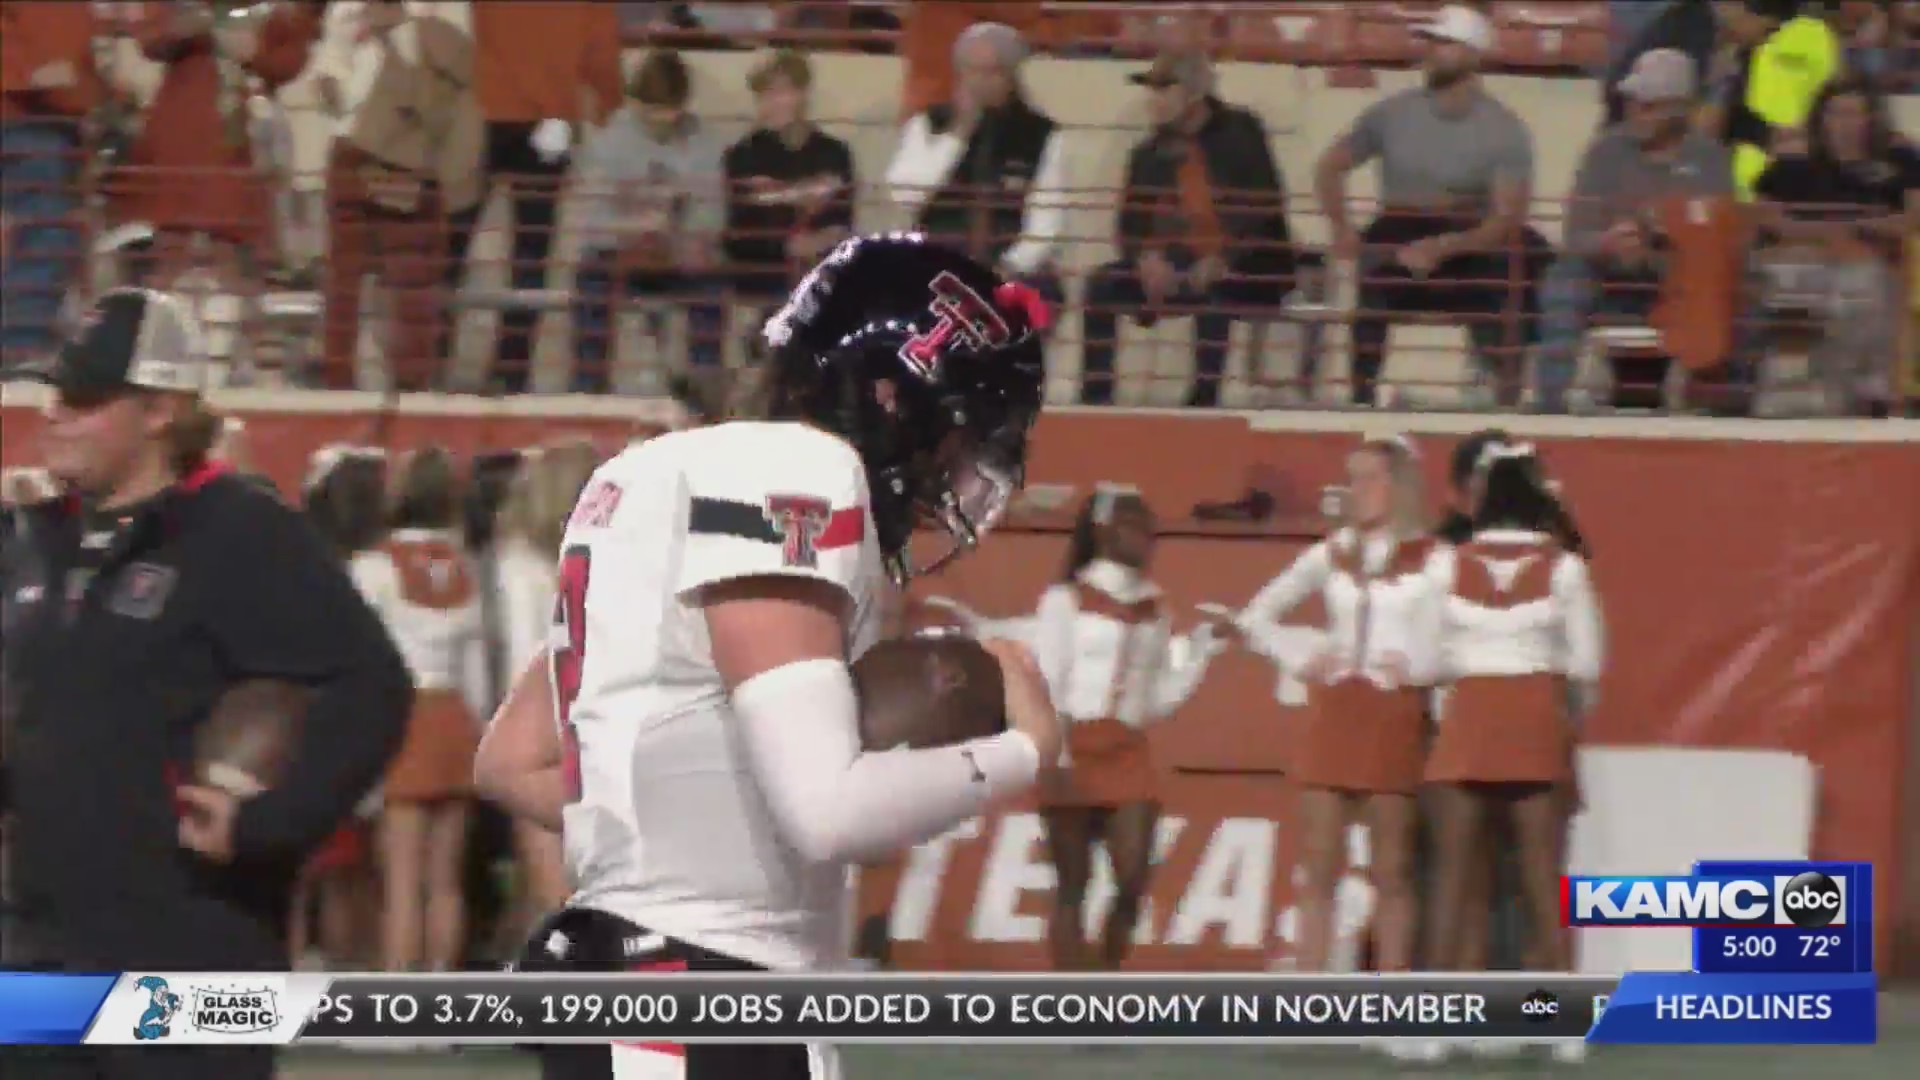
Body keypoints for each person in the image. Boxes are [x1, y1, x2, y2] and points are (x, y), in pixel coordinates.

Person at [472, 234, 1059, 1080]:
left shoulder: (655, 469)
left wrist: (685, 844)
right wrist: (1022, 749)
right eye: (961, 430)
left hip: (659, 973)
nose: (957, 467)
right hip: (692, 992)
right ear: (895, 396)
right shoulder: (796, 467)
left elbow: (512, 760)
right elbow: (828, 812)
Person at [0, 288, 411, 1080]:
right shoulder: (40, 541)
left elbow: (368, 685)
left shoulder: (241, 533)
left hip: (190, 947)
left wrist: (269, 821)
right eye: (55, 394)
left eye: (83, 399)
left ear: (158, 410)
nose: (54, 413)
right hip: (40, 941)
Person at [1217, 438, 1440, 1032]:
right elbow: (1257, 615)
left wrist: (1418, 667)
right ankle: (1309, 998)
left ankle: (1393, 1001)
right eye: (1352, 478)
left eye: (1369, 479)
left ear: (1400, 486)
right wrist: (1299, 658)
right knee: (1318, 865)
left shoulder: (1436, 558)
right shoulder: (1330, 554)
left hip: (1395, 716)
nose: (1356, 491)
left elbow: (1458, 638)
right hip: (1334, 713)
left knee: (1392, 871)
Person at [1423, 443, 1602, 1064]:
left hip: (1468, 718)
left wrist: (1469, 667)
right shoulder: (1566, 567)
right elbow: (1586, 663)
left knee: (1453, 880)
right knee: (1542, 882)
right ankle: (1561, 1026)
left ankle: (1437, 1027)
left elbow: (1426, 658)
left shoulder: (1445, 563)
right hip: (1536, 719)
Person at [1313, 4, 1546, 407]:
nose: (1432, 51)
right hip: (1399, 226)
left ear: (1473, 55)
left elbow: (1506, 218)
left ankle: (1506, 399)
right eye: (1432, 42)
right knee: (1374, 281)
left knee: (1515, 267)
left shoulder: (1504, 129)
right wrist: (1341, 229)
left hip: (1468, 237)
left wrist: (1443, 247)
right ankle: (1360, 398)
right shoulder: (1392, 112)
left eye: (1445, 43)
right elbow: (1330, 167)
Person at [1032, 485, 1220, 972]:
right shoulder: (1065, 598)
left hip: (1127, 749)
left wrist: (1199, 655)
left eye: (1150, 527)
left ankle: (1104, 978)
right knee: (1073, 883)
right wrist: (1054, 752)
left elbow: (1156, 700)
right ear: (1103, 531)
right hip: (1071, 740)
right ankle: (1075, 1004)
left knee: (1134, 876)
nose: (1146, 536)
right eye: (1133, 525)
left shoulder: (1157, 608)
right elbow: (1048, 678)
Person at [1082, 50, 1298, 407]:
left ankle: (1203, 400)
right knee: (1101, 286)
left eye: (1165, 89)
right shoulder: (1148, 153)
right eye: (1152, 90)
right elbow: (1129, 224)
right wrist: (1145, 258)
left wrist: (1223, 257)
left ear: (1195, 93)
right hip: (1176, 262)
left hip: (1248, 263)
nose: (1155, 100)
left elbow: (1263, 209)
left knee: (1216, 291)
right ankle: (1095, 397)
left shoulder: (1241, 132)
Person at [1536, 49, 1740, 412]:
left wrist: (1660, 245)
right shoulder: (1605, 152)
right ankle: (1551, 401)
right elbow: (1576, 235)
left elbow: (1718, 237)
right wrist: (1607, 242)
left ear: (1678, 109)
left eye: (1647, 105)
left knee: (1727, 281)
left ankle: (1721, 404)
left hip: (1676, 279)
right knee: (1563, 278)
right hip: (1609, 274)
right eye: (1631, 102)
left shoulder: (1709, 160)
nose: (1634, 112)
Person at [351, 447, 487, 973]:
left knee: (401, 879)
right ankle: (439, 1007)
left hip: (406, 715)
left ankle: (396, 1013)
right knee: (445, 879)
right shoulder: (465, 567)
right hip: (457, 716)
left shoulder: (375, 565)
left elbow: (360, 658)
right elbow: (475, 667)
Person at [487, 439, 606, 935]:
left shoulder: (518, 562)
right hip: (591, 721)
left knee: (555, 890)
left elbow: (519, 654)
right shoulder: (599, 560)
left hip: (546, 727)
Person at [884, 22, 1070, 329]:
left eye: (992, 72)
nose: (980, 82)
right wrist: (958, 134)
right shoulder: (929, 123)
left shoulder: (1042, 134)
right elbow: (906, 197)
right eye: (971, 71)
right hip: (940, 258)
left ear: (1011, 76)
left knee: (1038, 298)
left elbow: (1046, 223)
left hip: (1010, 263)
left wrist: (1009, 267)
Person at [1752, 76, 1918, 415]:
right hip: (1803, 260)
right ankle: (1788, 392)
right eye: (1836, 114)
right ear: (1821, 119)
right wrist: (1823, 238)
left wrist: (1856, 231)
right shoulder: (1794, 163)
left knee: (1861, 280)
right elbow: (1764, 218)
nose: (1846, 124)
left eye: (1855, 114)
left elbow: (1912, 219)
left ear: (1872, 118)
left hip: (1873, 264)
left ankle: (1856, 391)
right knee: (1793, 272)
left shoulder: (1899, 161)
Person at [570, 49, 729, 392]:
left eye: (671, 109)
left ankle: (705, 393)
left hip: (678, 257)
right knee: (591, 281)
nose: (663, 119)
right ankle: (586, 389)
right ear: (636, 102)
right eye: (654, 109)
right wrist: (638, 227)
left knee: (712, 287)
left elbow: (712, 215)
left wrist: (682, 238)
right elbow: (592, 223)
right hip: (619, 256)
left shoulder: (704, 143)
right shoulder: (608, 141)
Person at [723, 50, 856, 334]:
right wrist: (786, 245)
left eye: (782, 92)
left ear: (803, 95)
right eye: (765, 95)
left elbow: (842, 219)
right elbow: (740, 229)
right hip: (762, 268)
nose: (773, 103)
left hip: (821, 264)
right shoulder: (742, 155)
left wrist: (817, 239)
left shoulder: (834, 153)